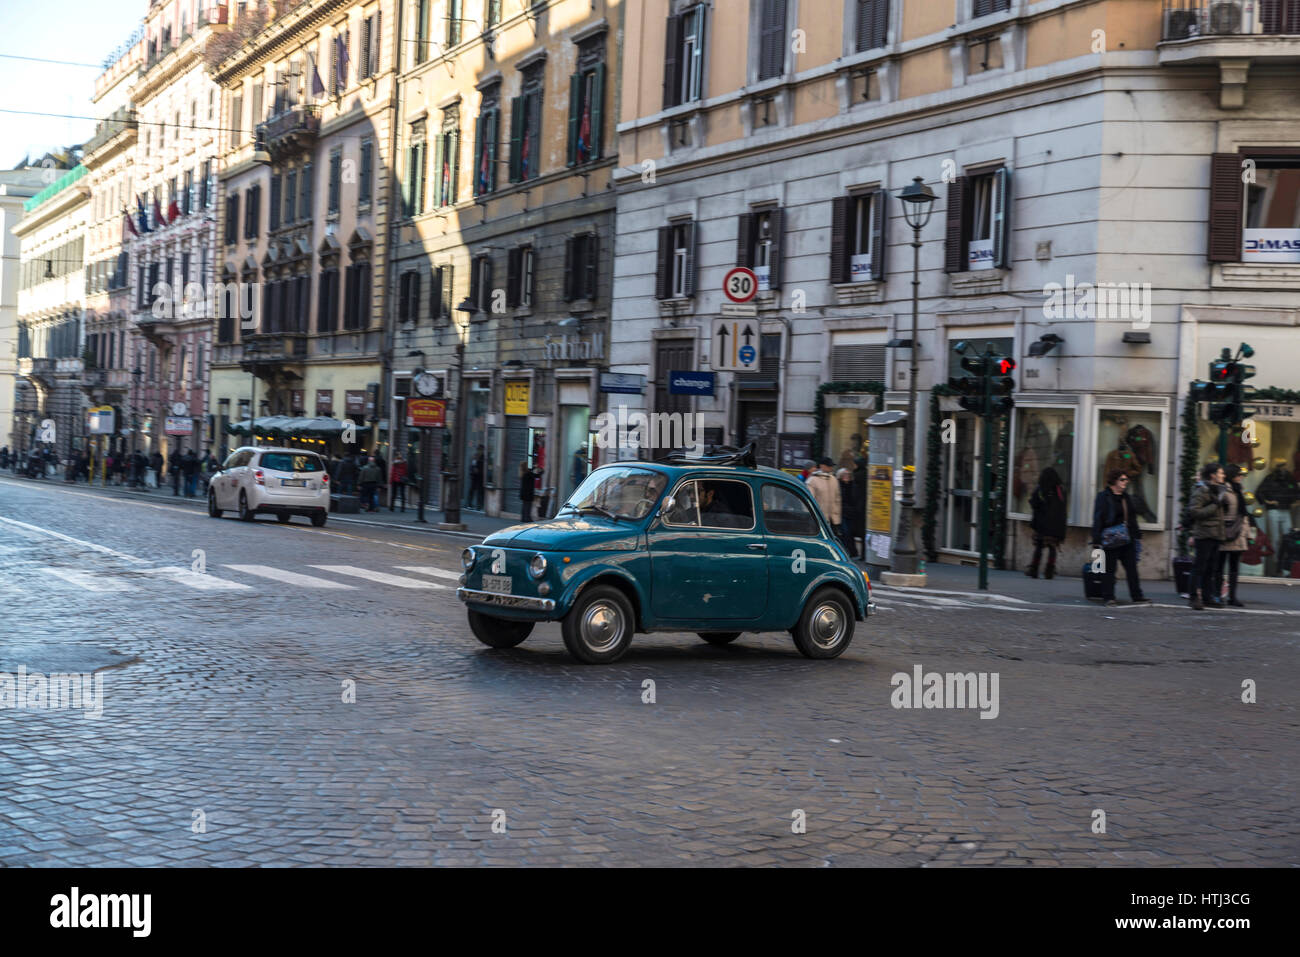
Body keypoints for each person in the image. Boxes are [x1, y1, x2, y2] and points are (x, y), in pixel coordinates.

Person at [1089, 468, 1151, 607]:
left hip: (1125, 539)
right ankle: (1109, 597)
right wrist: (1096, 539)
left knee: (1132, 569)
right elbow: (1098, 518)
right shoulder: (1103, 497)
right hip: (1110, 539)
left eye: (1126, 480)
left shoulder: (1126, 497)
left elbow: (1132, 518)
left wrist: (1137, 536)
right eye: (1122, 480)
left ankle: (1137, 596)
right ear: (1114, 481)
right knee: (1109, 570)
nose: (1125, 482)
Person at [1186, 462, 1228, 611]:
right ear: (1213, 475)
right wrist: (1215, 505)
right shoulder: (1202, 490)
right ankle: (1193, 597)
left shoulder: (1220, 491)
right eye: (1221, 473)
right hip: (1204, 534)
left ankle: (1207, 597)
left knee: (1211, 568)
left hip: (1216, 534)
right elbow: (1194, 512)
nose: (1223, 475)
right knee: (1199, 567)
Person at [1216, 463, 1251, 608]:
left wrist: (1247, 534)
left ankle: (1232, 597)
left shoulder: (1238, 491)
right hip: (1225, 533)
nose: (1241, 477)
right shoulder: (1224, 490)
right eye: (1238, 475)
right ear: (1232, 476)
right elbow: (1217, 512)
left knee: (1234, 568)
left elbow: (1243, 515)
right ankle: (1217, 595)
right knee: (1219, 567)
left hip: (1238, 534)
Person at [1026, 467, 1067, 579]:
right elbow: (1063, 509)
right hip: (1056, 526)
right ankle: (1049, 571)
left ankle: (1034, 569)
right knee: (1052, 548)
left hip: (1042, 525)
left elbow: (1033, 503)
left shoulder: (1041, 489)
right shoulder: (1060, 490)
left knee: (1039, 547)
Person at [806, 457, 842, 536]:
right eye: (829, 466)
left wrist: (837, 519)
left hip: (833, 521)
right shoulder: (812, 480)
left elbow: (837, 500)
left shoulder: (834, 480)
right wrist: (812, 517)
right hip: (818, 520)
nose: (831, 468)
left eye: (831, 466)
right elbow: (809, 501)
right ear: (822, 466)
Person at [836, 467, 860, 558]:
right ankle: (846, 552)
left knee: (850, 533)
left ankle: (853, 552)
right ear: (840, 476)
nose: (846, 476)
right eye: (844, 475)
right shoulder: (838, 485)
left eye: (848, 475)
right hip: (842, 512)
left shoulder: (853, 485)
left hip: (852, 513)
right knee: (845, 533)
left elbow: (856, 498)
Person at [469, 446, 486, 510]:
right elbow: (472, 465)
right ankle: (470, 504)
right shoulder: (475, 456)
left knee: (480, 491)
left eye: (481, 450)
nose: (480, 451)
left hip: (481, 476)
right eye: (479, 450)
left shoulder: (484, 457)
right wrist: (473, 471)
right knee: (472, 490)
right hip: (474, 476)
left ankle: (479, 505)